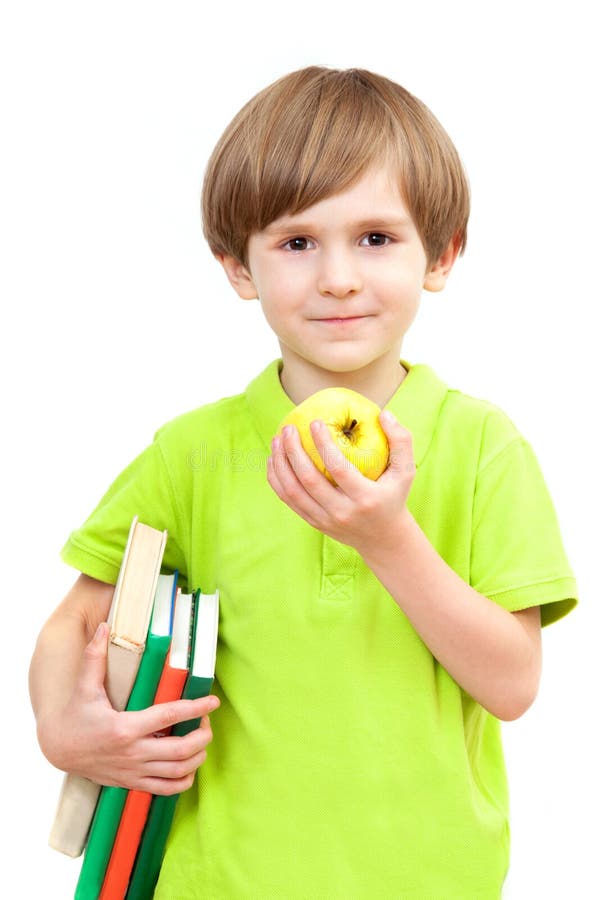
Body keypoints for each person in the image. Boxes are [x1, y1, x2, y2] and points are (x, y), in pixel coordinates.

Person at [29, 66, 578, 898]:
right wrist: (65, 730)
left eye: (375, 238)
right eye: (295, 243)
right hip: (216, 881)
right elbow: (76, 618)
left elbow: (512, 684)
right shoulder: (193, 452)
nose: (338, 278)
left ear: (443, 253)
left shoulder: (482, 447)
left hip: (429, 880)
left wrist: (387, 538)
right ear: (237, 267)